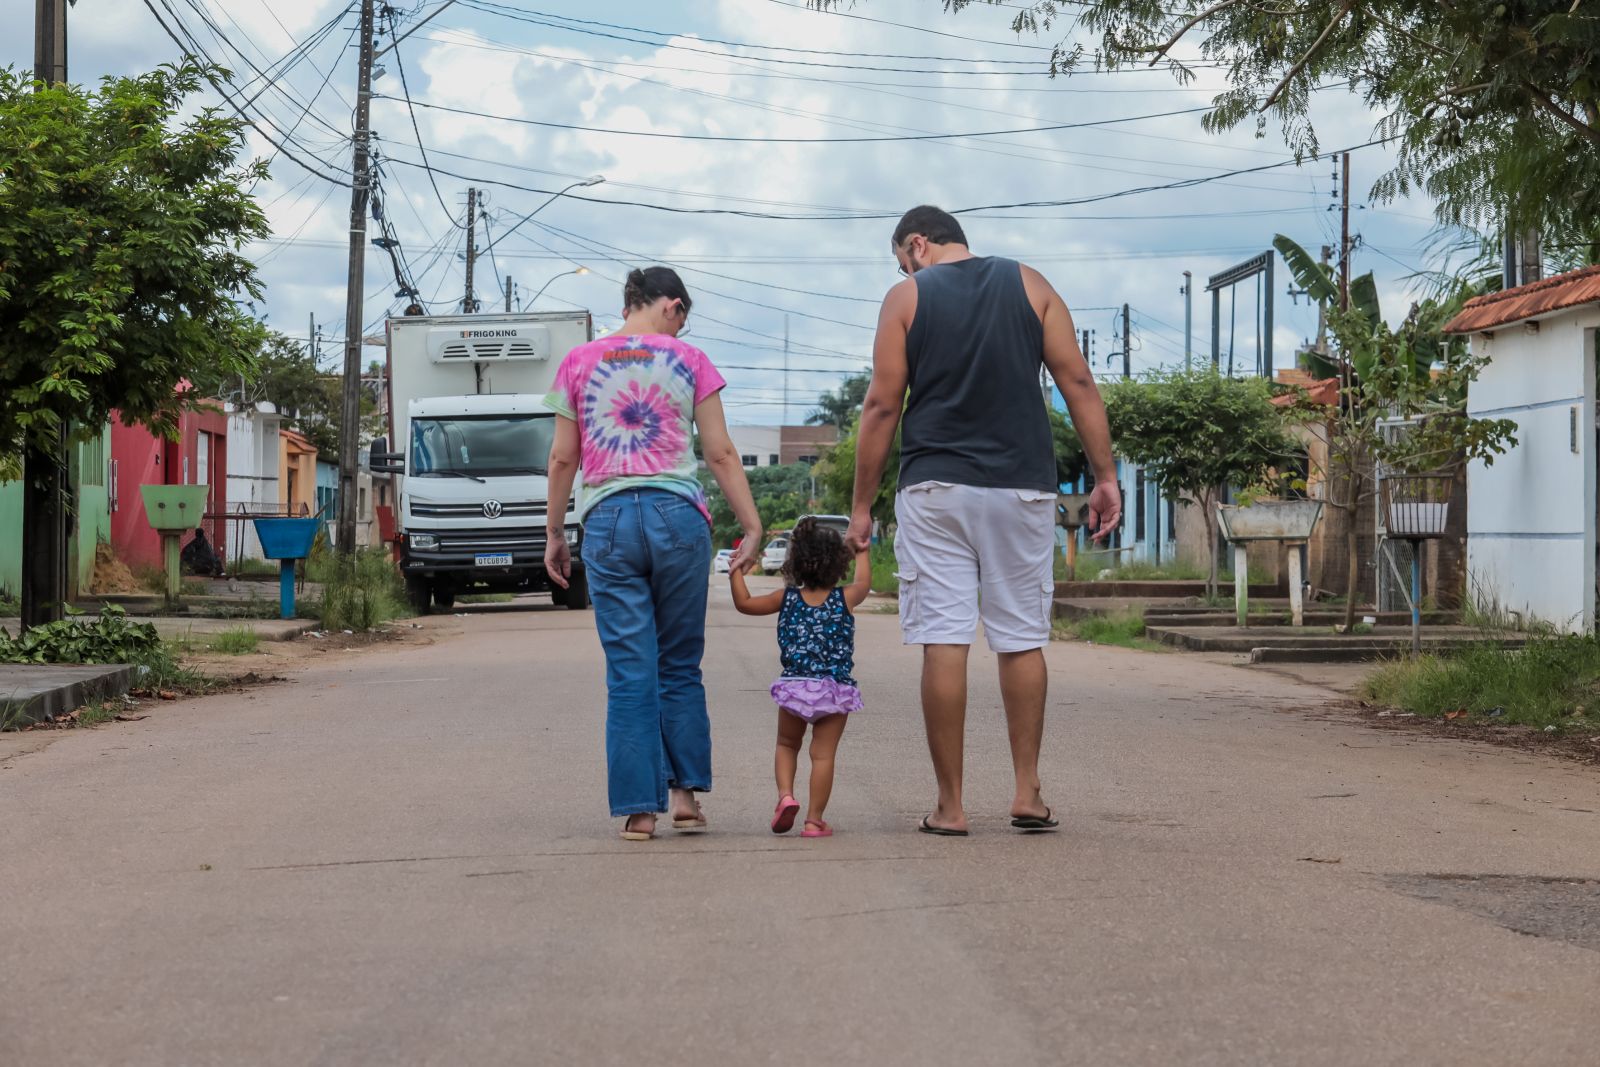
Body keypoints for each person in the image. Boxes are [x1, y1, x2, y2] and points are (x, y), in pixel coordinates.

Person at [846, 205, 1121, 837]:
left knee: (945, 638)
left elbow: (883, 405)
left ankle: (951, 806)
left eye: (901, 258)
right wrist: (1105, 477)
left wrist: (862, 508)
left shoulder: (906, 298)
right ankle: (1027, 792)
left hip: (935, 489)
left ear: (917, 244)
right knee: (1020, 637)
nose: (903, 269)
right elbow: (1077, 380)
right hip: (1020, 488)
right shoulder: (1031, 284)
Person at [544, 267, 763, 842]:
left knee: (630, 672)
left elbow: (563, 458)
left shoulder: (577, 362)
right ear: (670, 305)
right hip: (678, 518)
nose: (682, 328)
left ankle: (640, 813)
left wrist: (555, 533)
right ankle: (685, 797)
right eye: (683, 316)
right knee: (678, 663)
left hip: (609, 519)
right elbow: (718, 451)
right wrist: (752, 525)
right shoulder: (690, 361)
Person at [730, 517, 871, 839]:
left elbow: (745, 604)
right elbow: (864, 581)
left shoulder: (787, 599)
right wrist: (862, 549)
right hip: (834, 690)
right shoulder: (845, 598)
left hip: (795, 686)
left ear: (794, 562)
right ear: (839, 563)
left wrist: (736, 569)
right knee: (822, 755)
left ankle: (786, 796)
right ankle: (814, 820)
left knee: (786, 744)